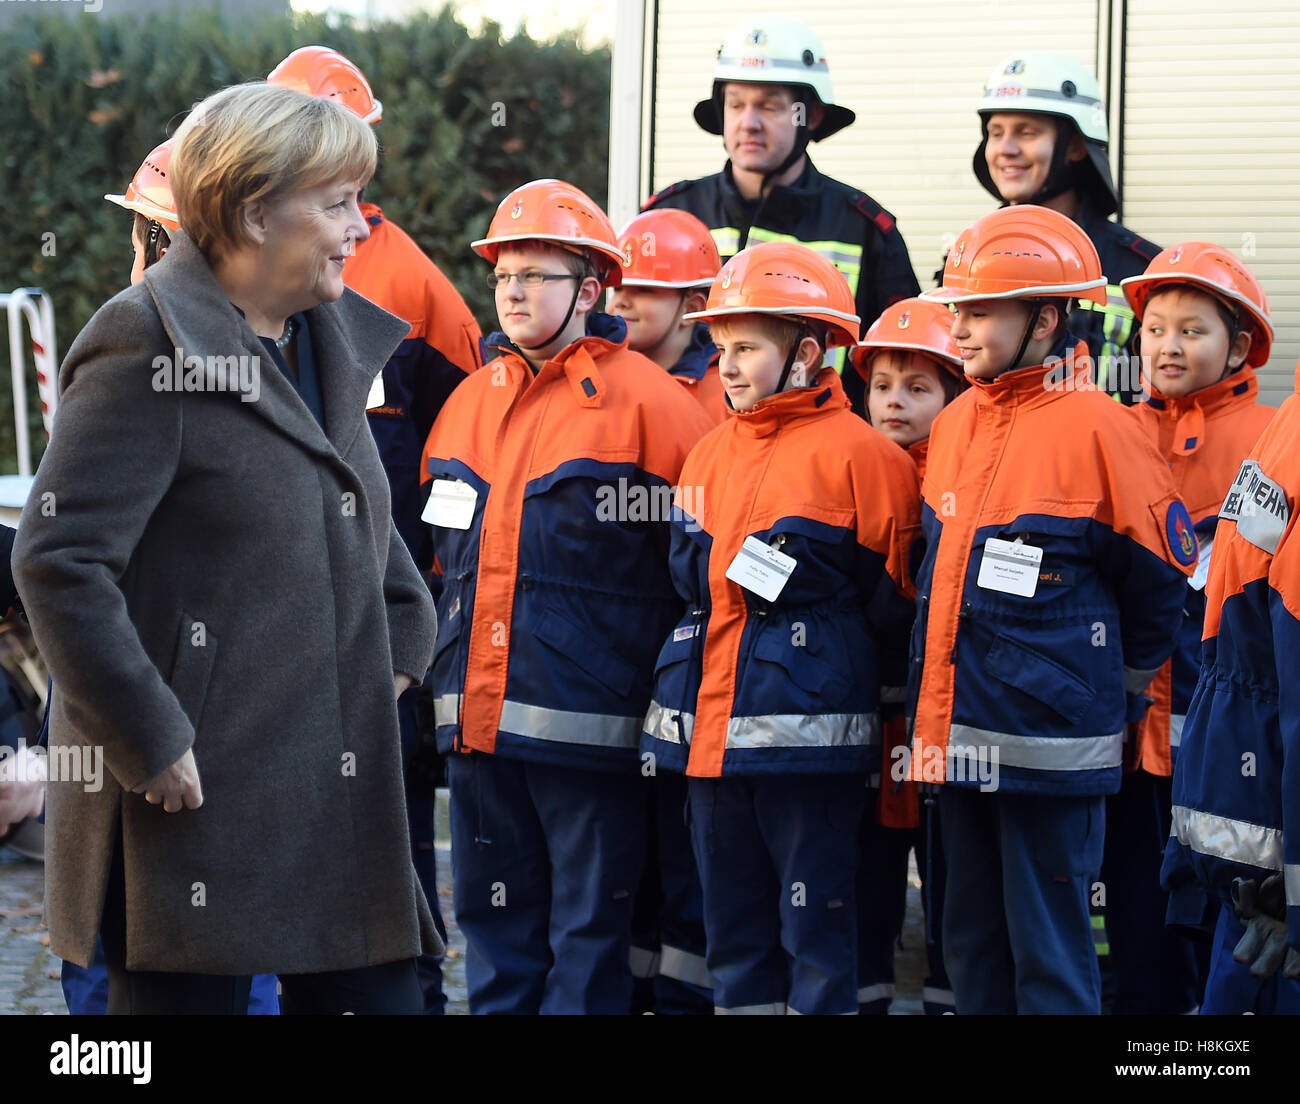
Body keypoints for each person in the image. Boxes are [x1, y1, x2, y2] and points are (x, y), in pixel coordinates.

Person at [12, 82, 441, 1015]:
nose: (360, 229)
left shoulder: (324, 339)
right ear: (253, 211)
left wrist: (403, 646)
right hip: (192, 811)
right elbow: (57, 561)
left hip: (336, 799)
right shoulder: (141, 342)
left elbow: (359, 518)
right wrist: (150, 739)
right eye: (335, 204)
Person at [419, 179, 714, 1014]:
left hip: (593, 730)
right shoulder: (466, 405)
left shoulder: (657, 409)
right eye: (503, 276)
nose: (513, 292)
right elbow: (442, 564)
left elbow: (695, 579)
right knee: (493, 926)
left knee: (589, 939)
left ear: (589, 289)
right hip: (478, 726)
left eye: (535, 276)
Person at [909, 204, 1195, 1014]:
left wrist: (1118, 691)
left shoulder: (1104, 427)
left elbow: (1157, 588)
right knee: (969, 947)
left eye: (980, 311)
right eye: (955, 308)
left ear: (1046, 317)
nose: (958, 328)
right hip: (955, 744)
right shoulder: (959, 419)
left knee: (1051, 956)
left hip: (1052, 754)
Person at [641, 241, 919, 1014]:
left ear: (805, 351)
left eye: (747, 348)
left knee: (816, 935)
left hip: (809, 757)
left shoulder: (868, 459)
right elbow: (688, 589)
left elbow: (892, 606)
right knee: (734, 938)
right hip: (710, 749)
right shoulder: (705, 455)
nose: (727, 365)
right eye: (722, 346)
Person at [268, 41, 479, 1017]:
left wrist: (427, 615)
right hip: (267, 627)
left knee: (390, 842)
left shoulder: (410, 283)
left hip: (374, 627)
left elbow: (471, 449)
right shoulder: (224, 271)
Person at [1100, 243, 1278, 1014]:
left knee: (1219, 919)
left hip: (1225, 735)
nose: (1167, 347)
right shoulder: (1112, 430)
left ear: (1238, 346)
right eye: (1156, 329)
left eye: (1192, 331)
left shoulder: (1271, 441)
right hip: (1125, 728)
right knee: (1129, 908)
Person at [642, 15, 919, 419]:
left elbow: (903, 363)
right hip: (687, 452)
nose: (748, 123)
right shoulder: (671, 215)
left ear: (812, 116)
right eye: (736, 104)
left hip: (820, 459)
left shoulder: (865, 228)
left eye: (770, 106)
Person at [849, 297, 967, 1014]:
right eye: (882, 385)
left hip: (941, 730)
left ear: (955, 396)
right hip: (869, 721)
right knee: (865, 886)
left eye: (918, 388)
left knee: (956, 893)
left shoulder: (957, 482)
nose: (894, 401)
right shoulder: (848, 465)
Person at [968, 51, 1160, 404]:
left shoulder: (1140, 269)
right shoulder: (966, 260)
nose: (1005, 149)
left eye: (1026, 132)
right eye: (996, 133)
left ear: (1075, 146)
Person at [610, 209, 726, 425]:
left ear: (692, 308)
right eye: (617, 288)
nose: (621, 301)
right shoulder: (596, 377)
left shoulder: (730, 392)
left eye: (644, 290)